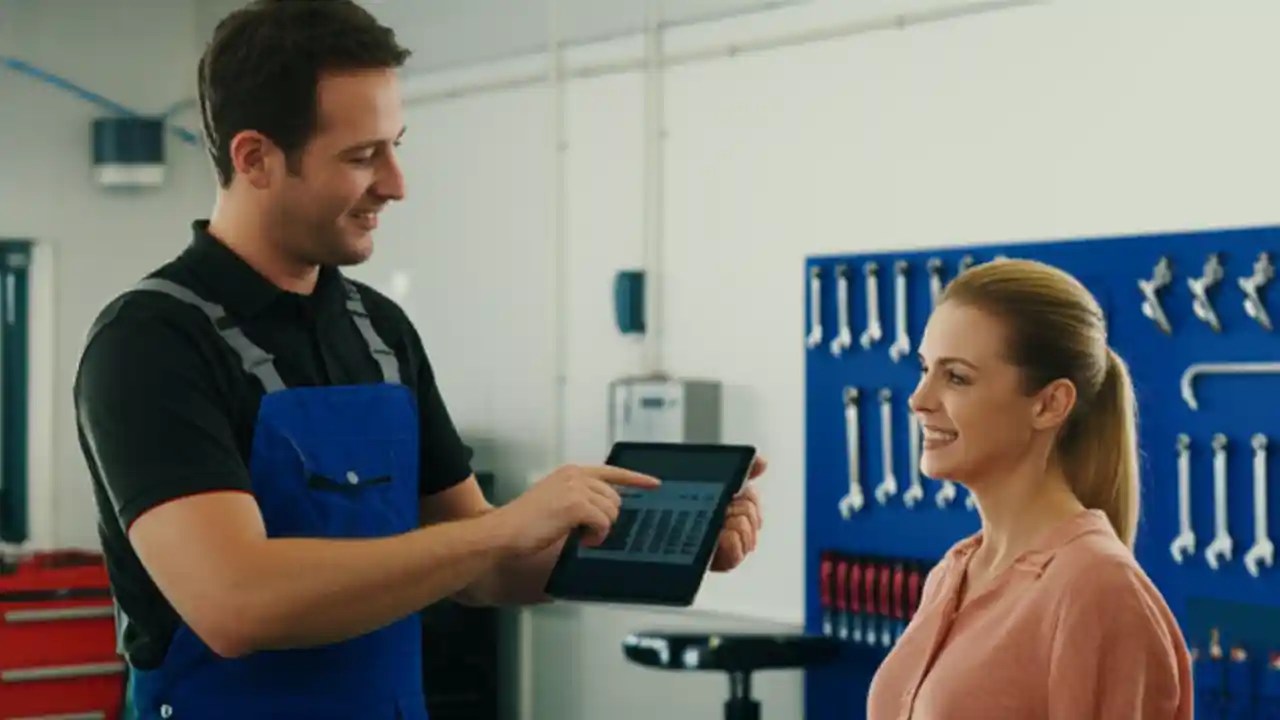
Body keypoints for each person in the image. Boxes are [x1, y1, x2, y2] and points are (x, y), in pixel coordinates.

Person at [73, 2, 765, 717]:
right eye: (361, 155)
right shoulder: (149, 343)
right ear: (255, 158)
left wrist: (655, 544)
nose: (397, 183)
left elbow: (482, 571)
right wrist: (500, 527)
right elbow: (236, 602)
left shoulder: (378, 329)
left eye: (394, 145)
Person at [865, 258, 1192, 719]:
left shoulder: (1098, 591)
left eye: (956, 377)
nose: (918, 399)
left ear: (1049, 404)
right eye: (924, 368)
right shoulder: (951, 573)